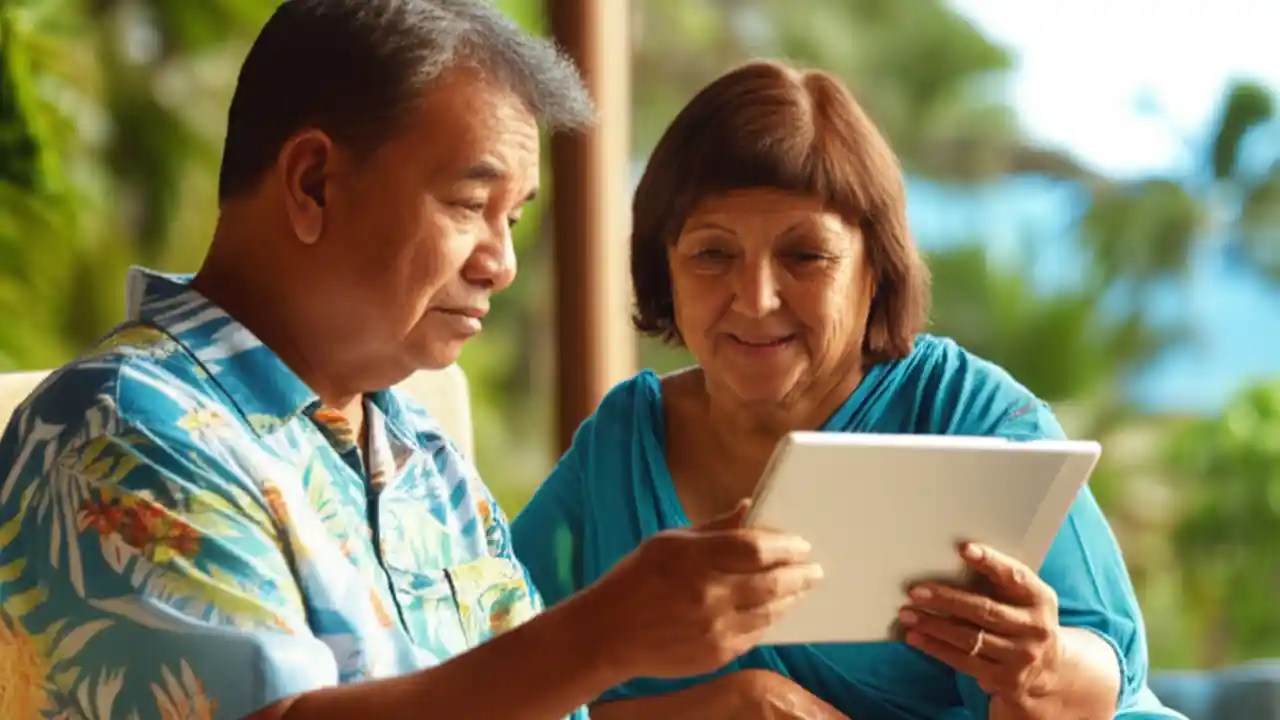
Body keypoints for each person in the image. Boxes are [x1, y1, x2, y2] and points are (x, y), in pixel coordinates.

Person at [0, 4, 825, 719]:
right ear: (314, 183)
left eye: (513, 218)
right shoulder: (124, 429)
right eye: (471, 205)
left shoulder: (414, 451)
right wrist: (602, 635)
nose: (499, 262)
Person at [512, 60, 1186, 720]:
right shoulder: (623, 446)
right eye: (713, 254)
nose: (755, 298)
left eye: (805, 256)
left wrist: (1040, 669)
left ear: (874, 272)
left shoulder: (967, 414)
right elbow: (488, 666)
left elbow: (1111, 681)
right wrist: (728, 705)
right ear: (665, 270)